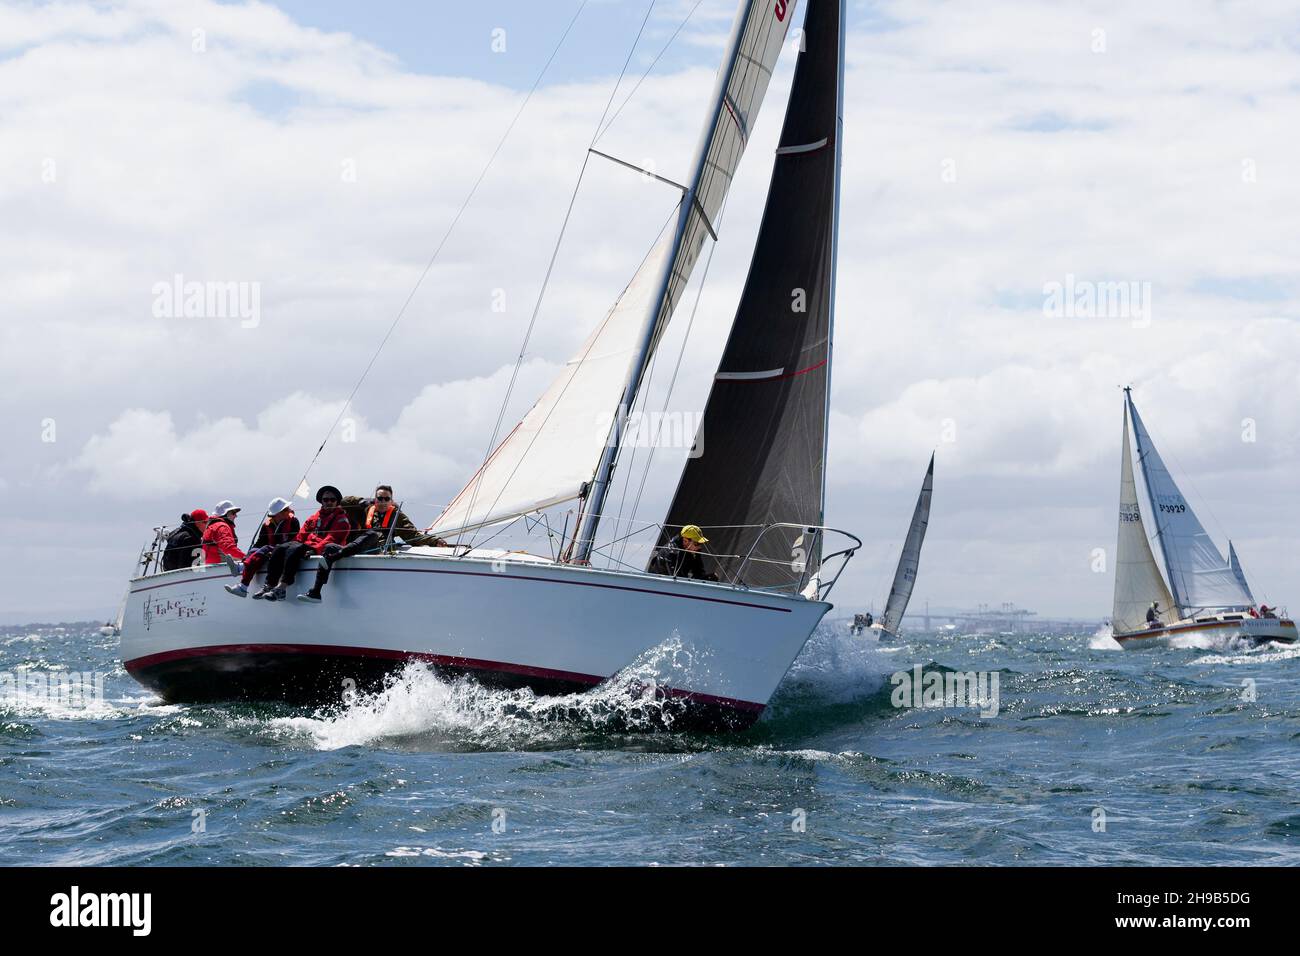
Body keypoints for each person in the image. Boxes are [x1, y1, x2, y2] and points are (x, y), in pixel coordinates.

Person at [298, 484, 438, 603]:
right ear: (375, 499)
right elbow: (344, 501)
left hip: (378, 550)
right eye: (379, 498)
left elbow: (413, 535)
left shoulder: (397, 515)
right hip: (357, 549)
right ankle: (316, 592)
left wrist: (435, 541)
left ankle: (335, 556)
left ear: (391, 500)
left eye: (386, 499)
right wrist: (364, 501)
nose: (383, 502)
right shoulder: (366, 510)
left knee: (372, 534)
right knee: (329, 547)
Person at [252, 486, 350, 602]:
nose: (329, 502)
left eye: (332, 500)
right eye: (325, 499)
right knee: (279, 548)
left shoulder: (341, 520)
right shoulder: (314, 517)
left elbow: (332, 539)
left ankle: (282, 587)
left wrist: (314, 550)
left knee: (295, 549)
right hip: (306, 545)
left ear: (337, 502)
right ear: (321, 501)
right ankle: (269, 585)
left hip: (320, 548)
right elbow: (301, 535)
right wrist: (291, 544)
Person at [224, 497, 298, 598]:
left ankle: (241, 570)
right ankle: (243, 586)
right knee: (256, 551)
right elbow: (259, 543)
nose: (289, 511)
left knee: (265, 549)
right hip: (270, 551)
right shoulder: (267, 525)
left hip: (283, 551)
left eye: (287, 509)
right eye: (285, 509)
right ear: (277, 514)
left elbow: (293, 541)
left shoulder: (293, 521)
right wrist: (248, 556)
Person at [649, 524, 717, 581]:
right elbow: (677, 580)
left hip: (678, 584)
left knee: (713, 578)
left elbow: (698, 572)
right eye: (697, 543)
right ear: (685, 541)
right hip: (659, 584)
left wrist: (707, 578)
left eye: (701, 544)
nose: (699, 547)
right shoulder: (672, 553)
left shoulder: (693, 550)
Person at [202, 501, 246, 567]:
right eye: (233, 513)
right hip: (221, 568)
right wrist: (247, 557)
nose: (236, 516)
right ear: (225, 514)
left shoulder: (212, 526)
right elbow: (228, 548)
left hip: (211, 567)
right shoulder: (222, 527)